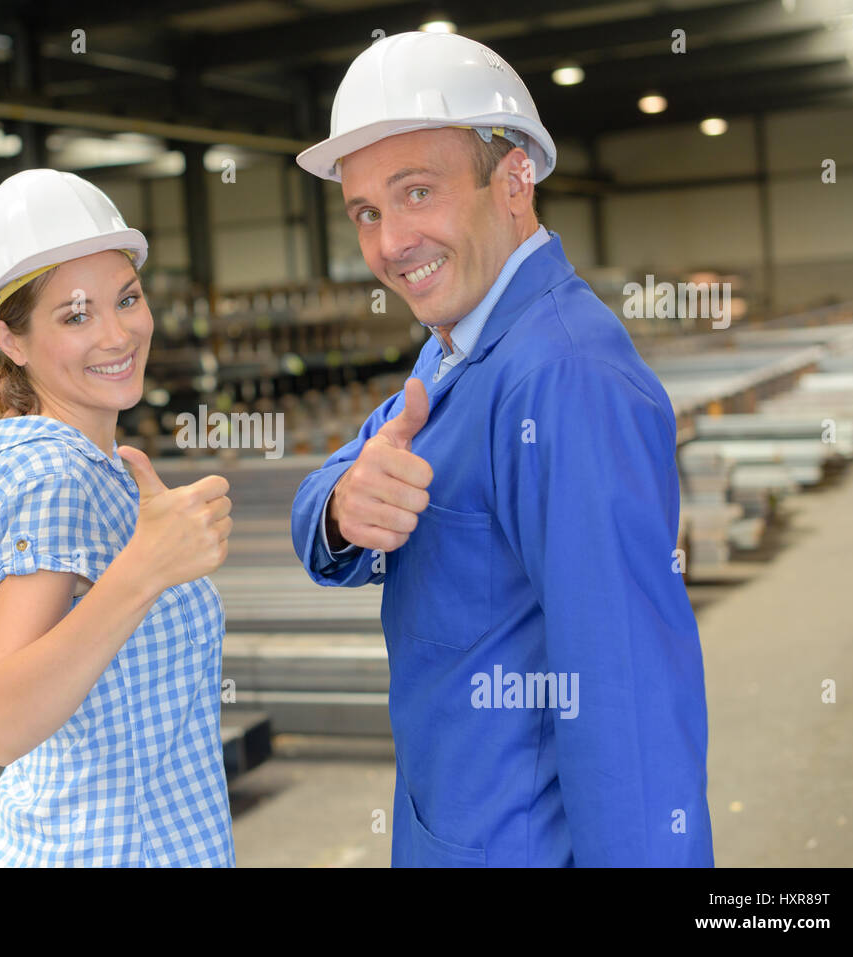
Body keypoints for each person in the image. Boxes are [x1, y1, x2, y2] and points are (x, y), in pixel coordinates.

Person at [290, 31, 714, 866]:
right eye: (367, 211)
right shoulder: (458, 340)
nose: (389, 242)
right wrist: (344, 507)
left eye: (417, 193)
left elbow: (625, 698)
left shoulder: (566, 378)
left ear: (514, 178)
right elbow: (327, 499)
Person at [0, 168, 235, 866]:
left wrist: (62, 682)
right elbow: (1, 724)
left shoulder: (52, 459)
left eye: (127, 298)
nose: (119, 333)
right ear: (11, 339)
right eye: (76, 314)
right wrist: (144, 570)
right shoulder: (55, 479)